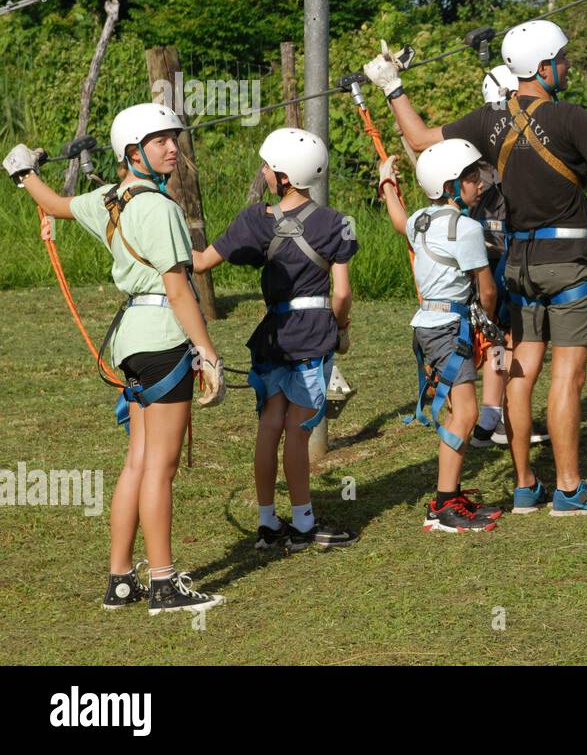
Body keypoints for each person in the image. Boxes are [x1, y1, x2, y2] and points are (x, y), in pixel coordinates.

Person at [365, 20, 587, 515]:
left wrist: (393, 86)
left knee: (520, 373)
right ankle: (568, 489)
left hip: (517, 263)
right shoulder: (569, 118)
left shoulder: (489, 119)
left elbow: (417, 140)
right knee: (567, 376)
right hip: (567, 262)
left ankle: (526, 486)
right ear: (542, 69)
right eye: (562, 60)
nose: (567, 67)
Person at [5, 104, 226, 613]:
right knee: (160, 467)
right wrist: (208, 354)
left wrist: (23, 172)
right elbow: (178, 289)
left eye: (174, 137)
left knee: (138, 462)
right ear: (133, 153)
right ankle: (165, 584)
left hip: (130, 341)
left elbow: (56, 205)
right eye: (160, 141)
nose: (173, 147)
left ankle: (122, 579)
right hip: (164, 339)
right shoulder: (161, 208)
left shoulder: (110, 200)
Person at [191, 128, 358, 552]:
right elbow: (340, 293)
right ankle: (303, 523)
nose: (263, 172)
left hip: (272, 336)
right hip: (312, 336)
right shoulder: (337, 223)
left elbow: (200, 263)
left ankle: (268, 523)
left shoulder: (254, 221)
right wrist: (339, 330)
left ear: (283, 176)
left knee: (269, 427)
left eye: (267, 166)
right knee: (297, 431)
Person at [378, 138, 504, 531]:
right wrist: (492, 323)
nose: (478, 184)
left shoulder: (421, 219)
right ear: (450, 187)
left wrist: (386, 184)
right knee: (466, 412)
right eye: (470, 178)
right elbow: (486, 290)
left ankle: (450, 496)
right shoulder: (466, 228)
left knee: (456, 410)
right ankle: (443, 504)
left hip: (429, 325)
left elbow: (400, 221)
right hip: (449, 328)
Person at [470, 65, 549, 450]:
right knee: (513, 337)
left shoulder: (479, 142)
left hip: (485, 254)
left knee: (498, 337)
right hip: (505, 254)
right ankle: (499, 417)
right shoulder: (511, 141)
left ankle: (489, 414)